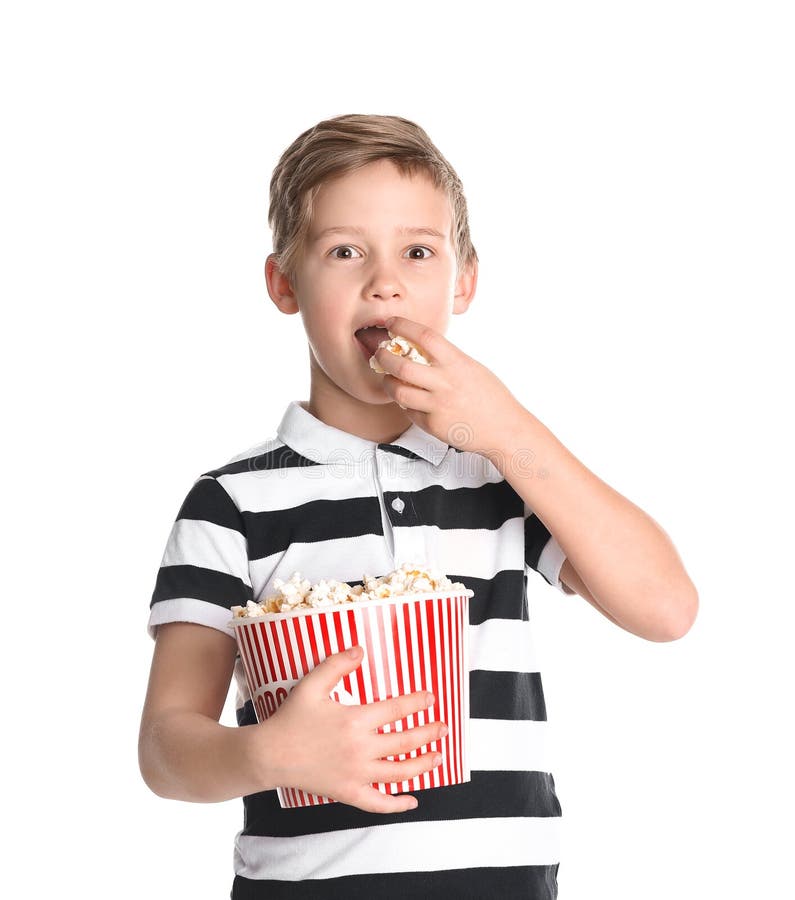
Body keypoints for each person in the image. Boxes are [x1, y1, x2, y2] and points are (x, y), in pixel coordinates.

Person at [139, 113, 698, 899]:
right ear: (283, 283)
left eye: (417, 251)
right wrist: (267, 754)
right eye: (343, 251)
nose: (384, 280)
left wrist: (503, 427)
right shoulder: (231, 502)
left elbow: (665, 608)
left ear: (463, 281)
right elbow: (166, 749)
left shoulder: (500, 476)